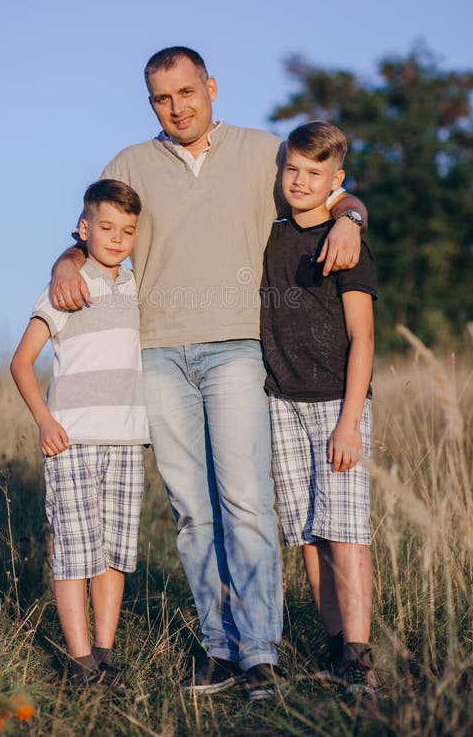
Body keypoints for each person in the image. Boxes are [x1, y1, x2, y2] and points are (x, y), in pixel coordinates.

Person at [50, 47, 367, 700]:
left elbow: (329, 187)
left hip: (235, 351)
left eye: (188, 91)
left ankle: (260, 655)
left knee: (246, 503)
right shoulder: (130, 162)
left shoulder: (261, 151)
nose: (178, 106)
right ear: (151, 103)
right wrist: (63, 260)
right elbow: (92, 230)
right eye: (163, 97)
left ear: (211, 88)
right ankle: (218, 650)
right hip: (158, 354)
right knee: (193, 512)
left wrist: (354, 219)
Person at [11, 179, 149, 689]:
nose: (116, 239)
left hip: (127, 441)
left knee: (113, 553)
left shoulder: (137, 286)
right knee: (74, 552)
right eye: (106, 227)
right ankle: (79, 662)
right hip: (72, 442)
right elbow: (22, 362)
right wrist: (46, 421)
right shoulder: (65, 287)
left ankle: (105, 657)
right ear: (84, 228)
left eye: (127, 231)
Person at [260, 121, 378, 694]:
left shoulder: (346, 240)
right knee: (308, 532)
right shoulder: (272, 236)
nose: (300, 181)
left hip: (337, 402)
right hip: (282, 400)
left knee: (346, 529)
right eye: (293, 170)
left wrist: (351, 422)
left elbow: (363, 337)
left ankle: (359, 656)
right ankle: (334, 646)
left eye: (314, 173)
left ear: (336, 181)